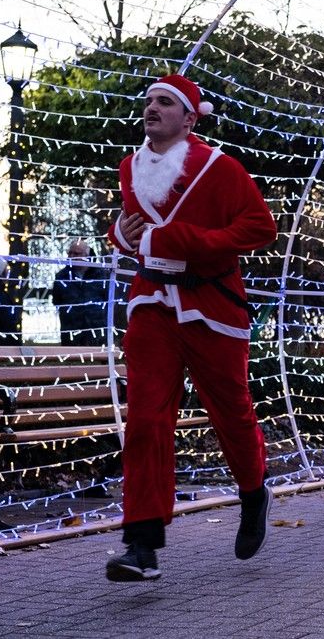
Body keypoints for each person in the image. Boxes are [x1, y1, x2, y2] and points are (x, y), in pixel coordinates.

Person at [105, 74, 277, 582]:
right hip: (152, 303)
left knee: (232, 413)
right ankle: (142, 543)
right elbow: (134, 231)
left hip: (210, 306)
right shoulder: (128, 167)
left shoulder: (219, 167)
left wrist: (183, 239)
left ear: (189, 116)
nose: (151, 109)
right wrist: (119, 235)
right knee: (146, 419)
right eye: (149, 102)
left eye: (164, 102)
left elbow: (259, 228)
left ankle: (253, 492)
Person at [52, 239, 108, 346]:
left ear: (87, 255)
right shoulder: (61, 276)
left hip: (97, 332)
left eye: (76, 253)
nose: (72, 256)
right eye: (70, 253)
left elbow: (108, 299)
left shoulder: (101, 275)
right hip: (71, 332)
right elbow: (56, 300)